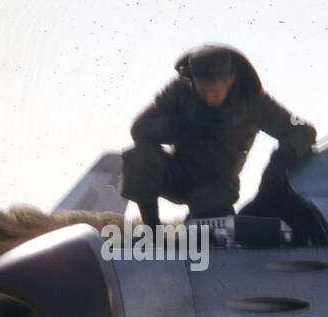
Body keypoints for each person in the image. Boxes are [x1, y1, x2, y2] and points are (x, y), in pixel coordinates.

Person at [120, 44, 316, 226]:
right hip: (180, 172)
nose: (207, 98)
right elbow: (140, 128)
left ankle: (201, 235)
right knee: (138, 157)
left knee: (210, 217)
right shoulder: (180, 90)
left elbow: (303, 129)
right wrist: (183, 123)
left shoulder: (256, 102)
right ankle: (152, 230)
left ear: (229, 80)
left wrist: (279, 163)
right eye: (202, 91)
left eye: (213, 91)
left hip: (218, 183)